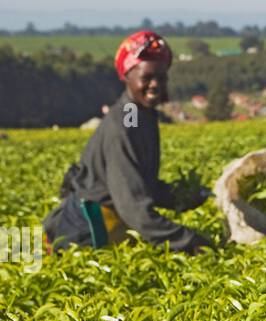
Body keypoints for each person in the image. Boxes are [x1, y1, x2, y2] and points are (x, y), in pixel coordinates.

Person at [43, 30, 210, 254]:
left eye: (161, 77)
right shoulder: (123, 126)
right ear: (128, 76)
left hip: (107, 227)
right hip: (84, 234)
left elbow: (138, 182)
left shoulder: (138, 115)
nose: (155, 85)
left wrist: (181, 197)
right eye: (146, 77)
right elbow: (133, 206)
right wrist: (188, 241)